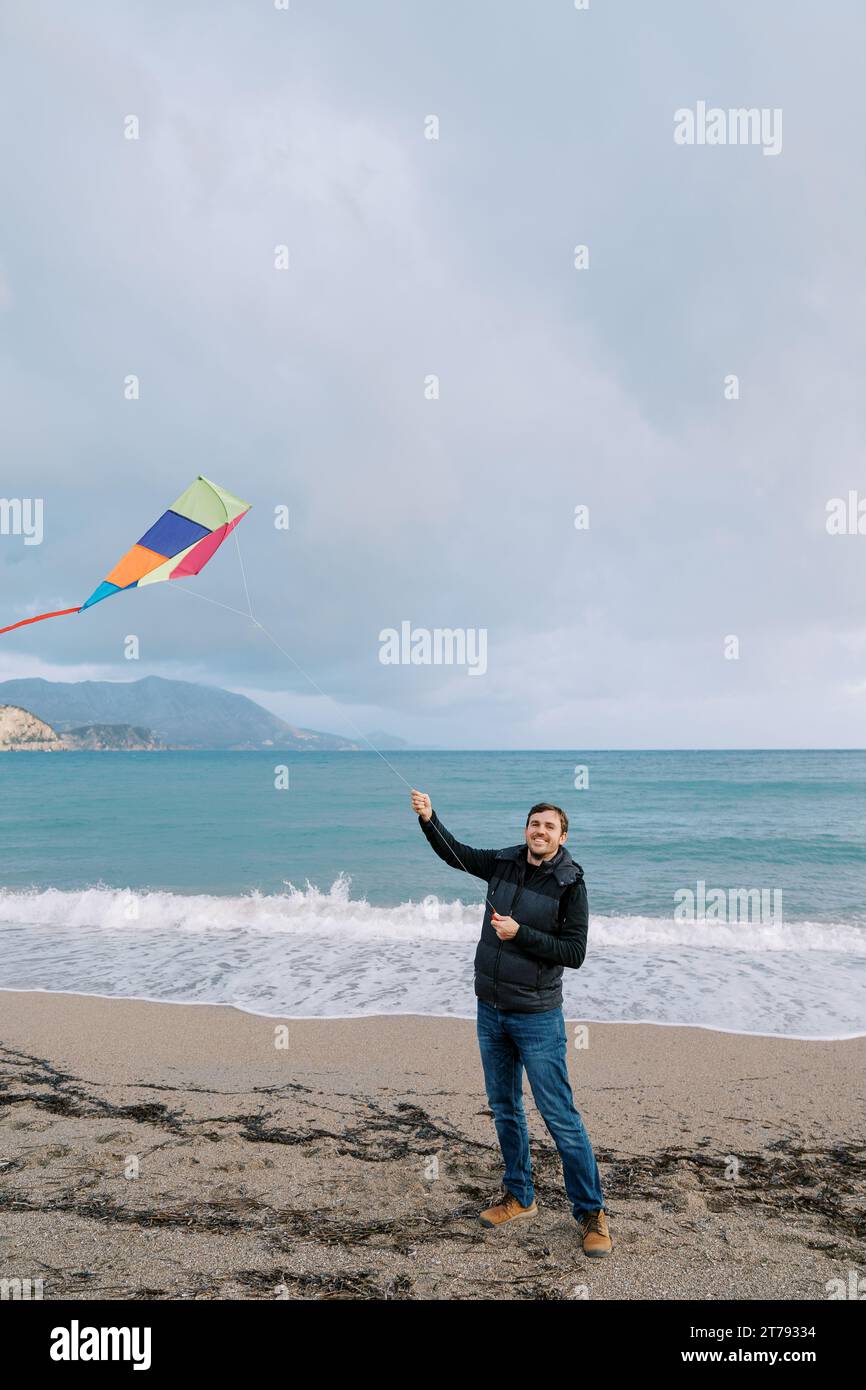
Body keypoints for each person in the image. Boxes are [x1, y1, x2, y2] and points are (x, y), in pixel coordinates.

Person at [410, 789, 612, 1258]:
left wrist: (521, 934)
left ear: (563, 836)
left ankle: (592, 1213)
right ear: (526, 829)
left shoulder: (570, 883)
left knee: (561, 1117)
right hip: (491, 1010)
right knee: (505, 1109)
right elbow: (454, 853)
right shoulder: (502, 863)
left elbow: (574, 953)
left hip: (538, 1016)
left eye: (549, 827)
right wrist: (429, 818)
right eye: (533, 824)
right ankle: (520, 1196)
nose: (539, 832)